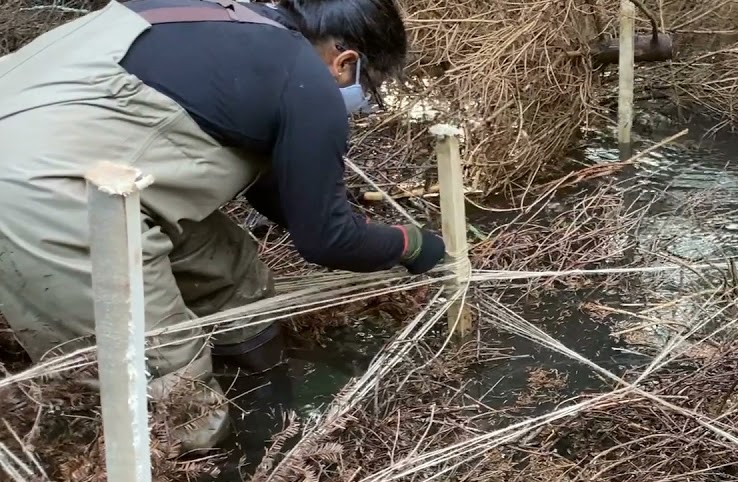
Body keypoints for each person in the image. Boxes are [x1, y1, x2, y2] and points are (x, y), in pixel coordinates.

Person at [0, 0, 446, 453]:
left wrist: (338, 214)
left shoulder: (225, 23)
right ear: (346, 61)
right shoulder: (309, 80)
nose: (365, 96)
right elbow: (327, 241)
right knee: (172, 387)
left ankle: (270, 413)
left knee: (232, 276)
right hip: (42, 196)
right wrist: (409, 244)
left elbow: (278, 195)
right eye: (371, 83)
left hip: (79, 158)